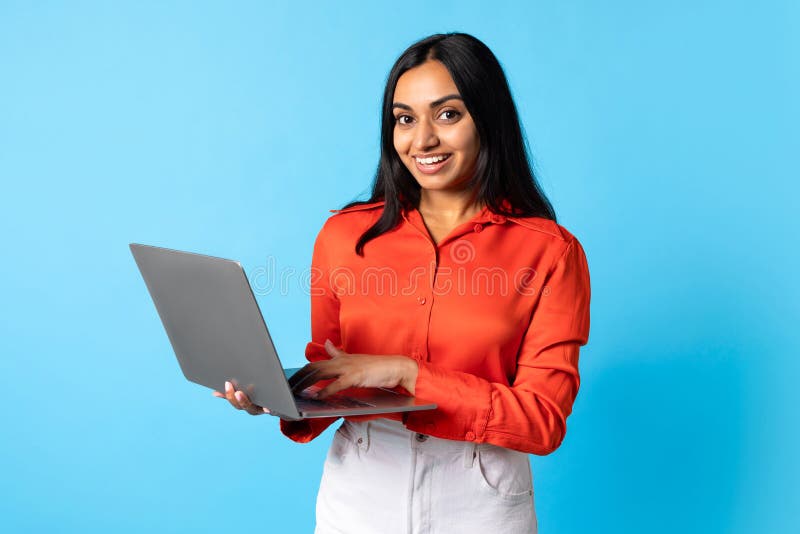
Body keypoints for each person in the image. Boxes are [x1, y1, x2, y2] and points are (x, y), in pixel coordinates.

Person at [214, 32, 591, 534]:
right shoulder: (344, 236)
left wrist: (409, 374)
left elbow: (542, 421)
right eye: (405, 118)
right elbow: (332, 373)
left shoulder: (551, 252)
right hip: (362, 489)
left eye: (449, 114)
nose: (423, 140)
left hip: (480, 493)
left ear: (489, 120)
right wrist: (281, 396)